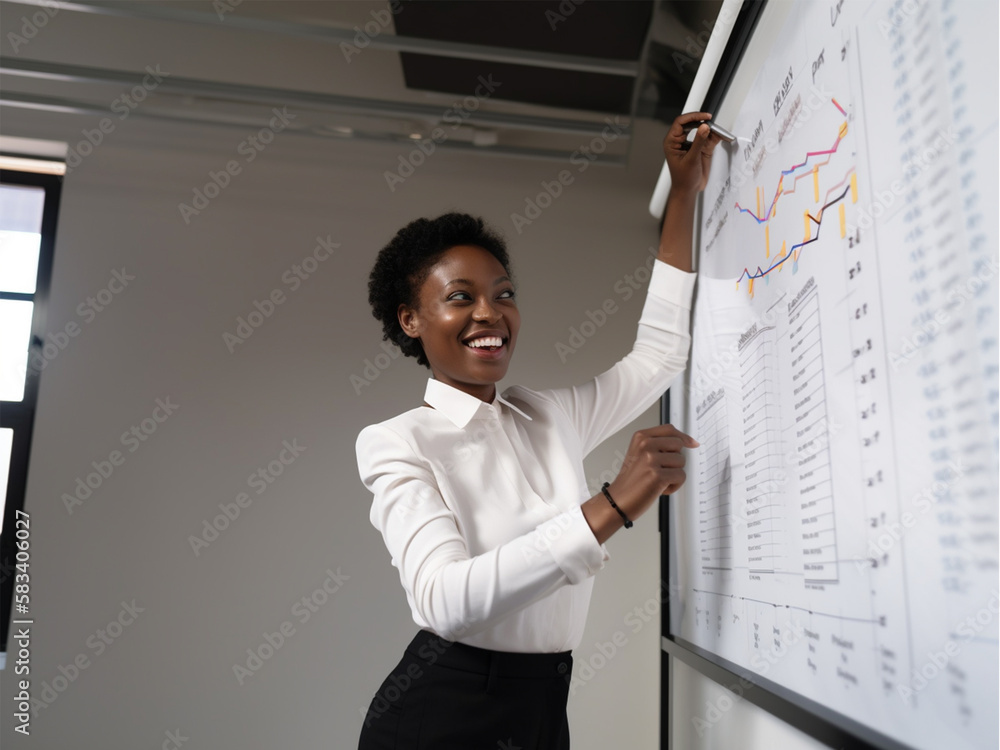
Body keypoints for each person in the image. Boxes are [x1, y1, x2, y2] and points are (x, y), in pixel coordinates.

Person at [356, 111, 723, 749]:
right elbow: (444, 601)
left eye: (502, 293)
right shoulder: (398, 443)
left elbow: (659, 356)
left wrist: (684, 193)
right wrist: (611, 506)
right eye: (460, 297)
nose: (489, 313)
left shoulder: (546, 414)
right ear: (411, 320)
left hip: (542, 705)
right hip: (444, 716)